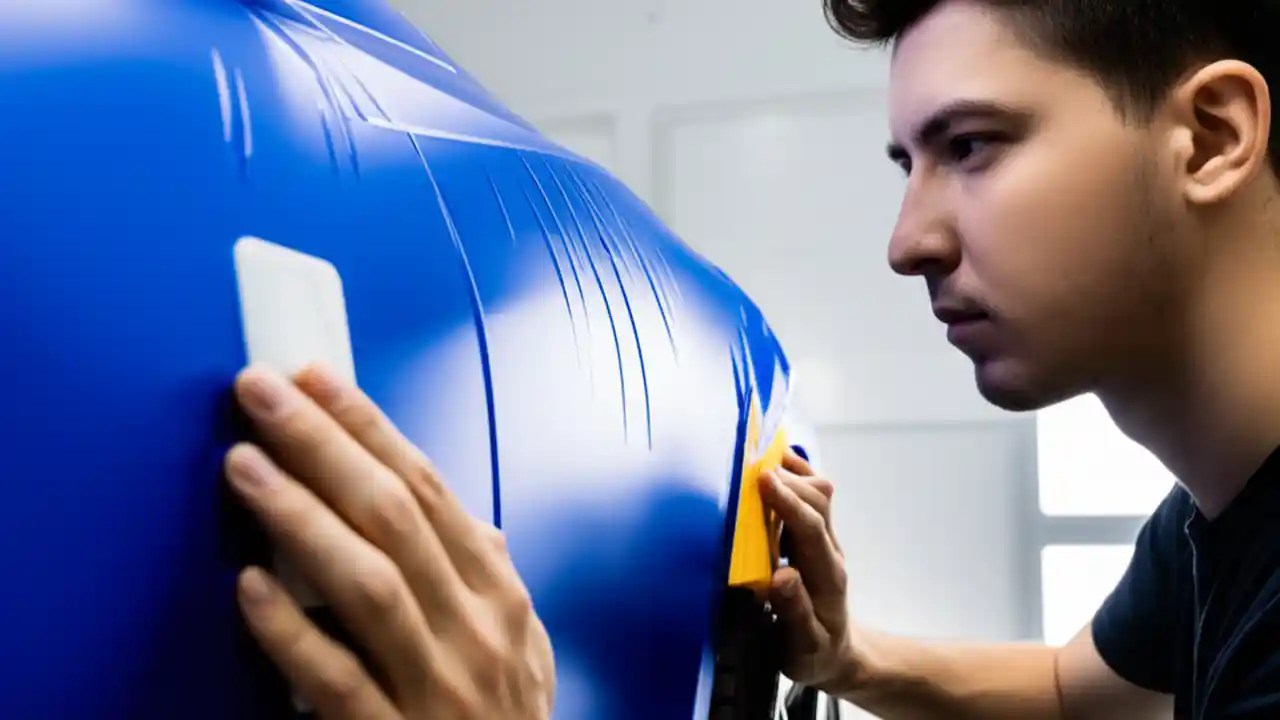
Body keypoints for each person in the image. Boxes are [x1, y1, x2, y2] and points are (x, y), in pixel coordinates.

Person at [223, 0, 1280, 716]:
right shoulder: (1209, 519)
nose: (907, 241)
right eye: (909, 164)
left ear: (1211, 136)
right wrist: (849, 658)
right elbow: (1070, 692)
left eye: (971, 146)